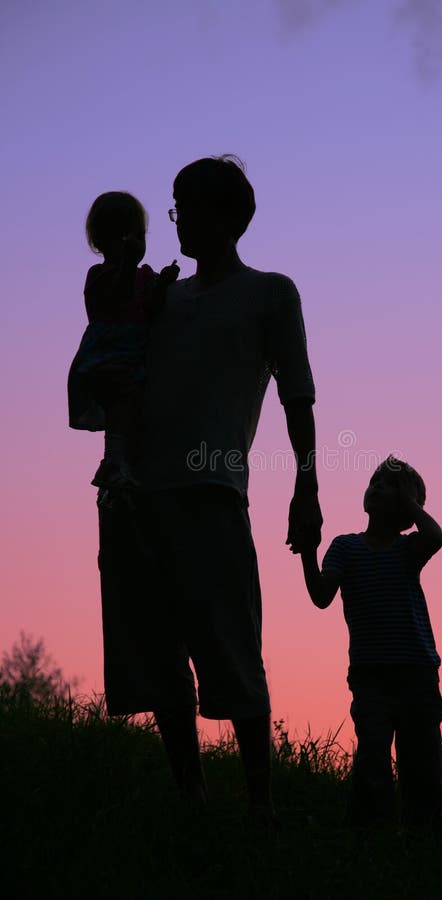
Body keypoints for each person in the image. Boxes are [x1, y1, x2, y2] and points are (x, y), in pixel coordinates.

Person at [95, 155, 322, 825]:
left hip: (213, 489)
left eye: (189, 208)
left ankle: (260, 805)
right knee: (155, 651)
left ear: (230, 216)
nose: (179, 221)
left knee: (231, 649)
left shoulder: (271, 293)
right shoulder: (161, 298)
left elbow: (298, 394)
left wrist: (306, 488)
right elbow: (114, 362)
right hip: (138, 492)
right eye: (176, 208)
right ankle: (190, 796)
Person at [298, 456, 442, 835]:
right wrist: (307, 551)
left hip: (416, 671)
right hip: (369, 675)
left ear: (406, 507)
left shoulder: (408, 549)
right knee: (373, 757)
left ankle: (428, 834)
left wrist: (411, 502)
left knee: (423, 760)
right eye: (377, 481)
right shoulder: (345, 547)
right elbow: (321, 595)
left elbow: (436, 537)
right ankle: (372, 831)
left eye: (391, 485)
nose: (380, 487)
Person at [67, 191, 179, 489]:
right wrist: (128, 266)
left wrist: (164, 283)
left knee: (135, 407)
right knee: (121, 398)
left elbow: (152, 309)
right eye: (122, 236)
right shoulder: (99, 274)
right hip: (110, 354)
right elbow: (118, 297)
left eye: (139, 236)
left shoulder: (145, 275)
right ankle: (113, 461)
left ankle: (123, 461)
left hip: (135, 353)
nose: (133, 244)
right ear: (100, 241)